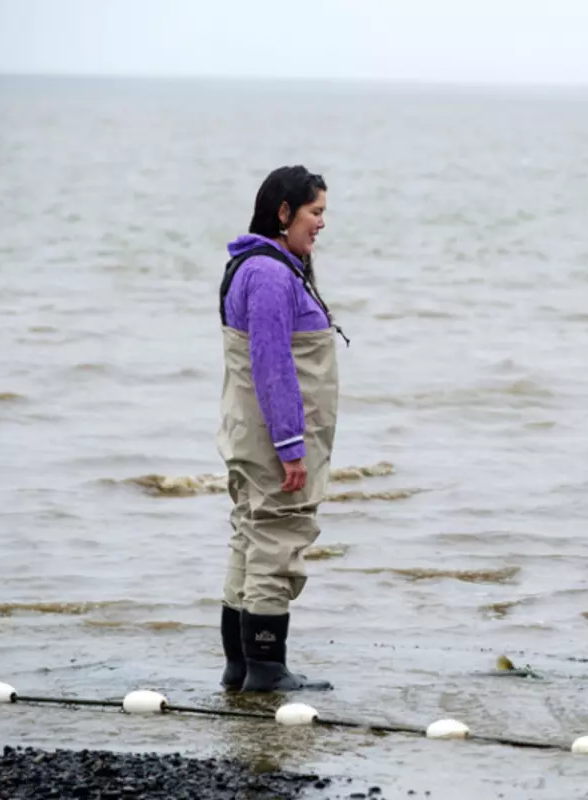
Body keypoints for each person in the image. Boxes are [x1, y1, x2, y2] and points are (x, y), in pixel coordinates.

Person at [215, 165, 347, 693]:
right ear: (284, 212)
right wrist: (291, 446)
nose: (321, 224)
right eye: (315, 212)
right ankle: (267, 669)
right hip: (274, 440)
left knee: (250, 536)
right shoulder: (269, 274)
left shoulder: (258, 265)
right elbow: (273, 363)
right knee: (276, 538)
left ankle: (240, 665)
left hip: (250, 432)